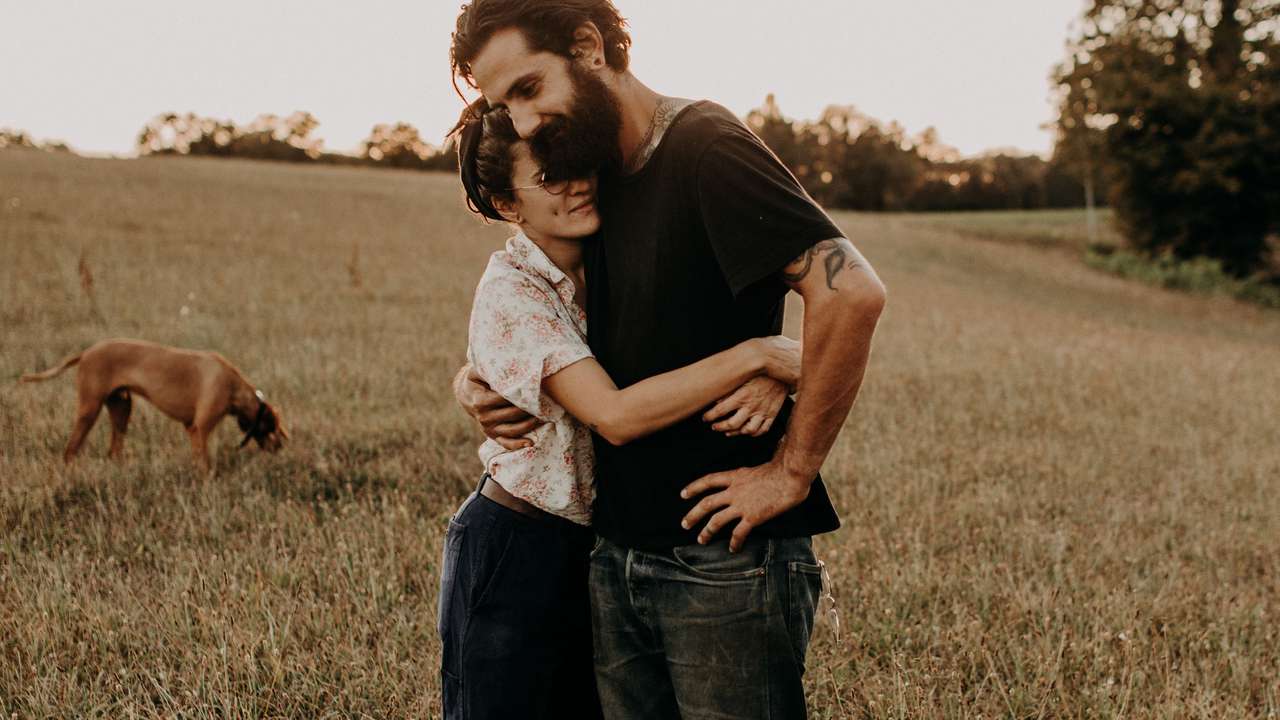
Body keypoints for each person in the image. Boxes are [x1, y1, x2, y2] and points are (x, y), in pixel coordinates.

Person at [449, 1, 888, 717]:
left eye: (529, 89)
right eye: (506, 106)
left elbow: (853, 295)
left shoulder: (708, 148)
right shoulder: (597, 170)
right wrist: (477, 379)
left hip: (721, 559)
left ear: (588, 47)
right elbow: (570, 318)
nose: (524, 124)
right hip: (613, 551)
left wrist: (791, 471)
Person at [438, 101, 804, 720]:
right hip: (518, 543)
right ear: (507, 204)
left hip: (598, 546)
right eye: (548, 177)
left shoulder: (615, 251)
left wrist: (776, 372)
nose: (577, 183)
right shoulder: (513, 290)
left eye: (577, 163)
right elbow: (614, 415)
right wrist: (758, 356)